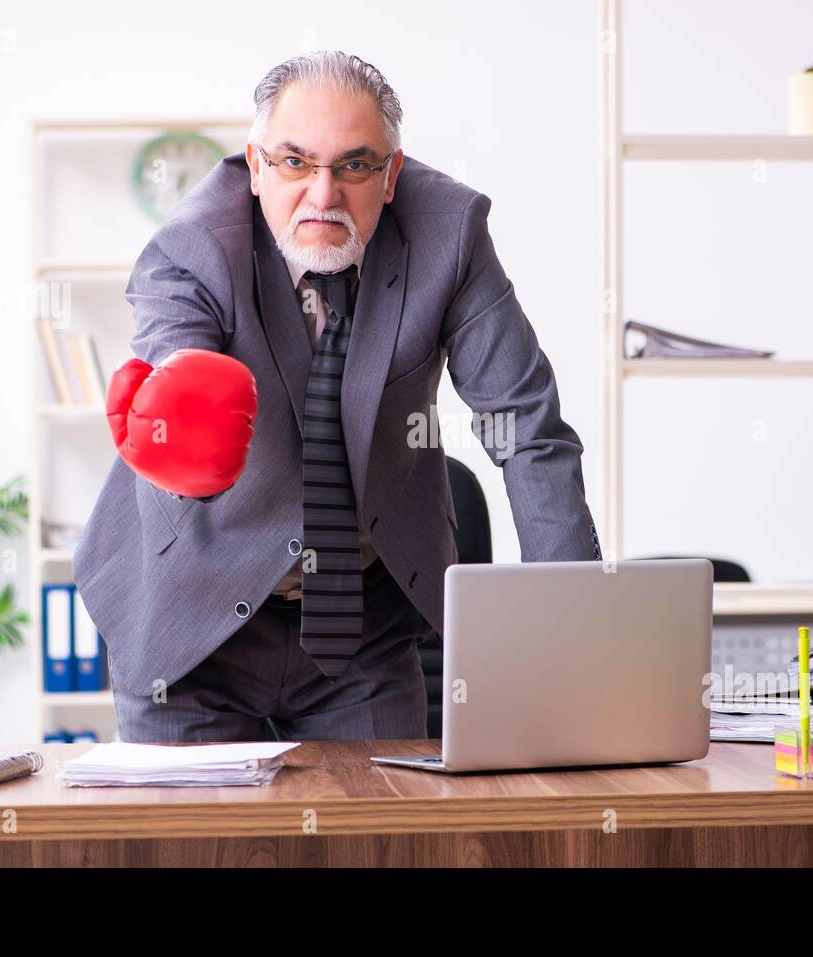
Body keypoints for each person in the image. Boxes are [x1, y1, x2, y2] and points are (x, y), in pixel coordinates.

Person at [74, 50, 600, 743]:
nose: (323, 195)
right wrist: (181, 402)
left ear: (391, 175)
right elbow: (177, 347)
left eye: (353, 166)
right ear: (256, 166)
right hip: (191, 618)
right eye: (295, 162)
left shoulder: (451, 234)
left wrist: (579, 636)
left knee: (381, 843)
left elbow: (524, 424)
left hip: (359, 627)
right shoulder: (195, 245)